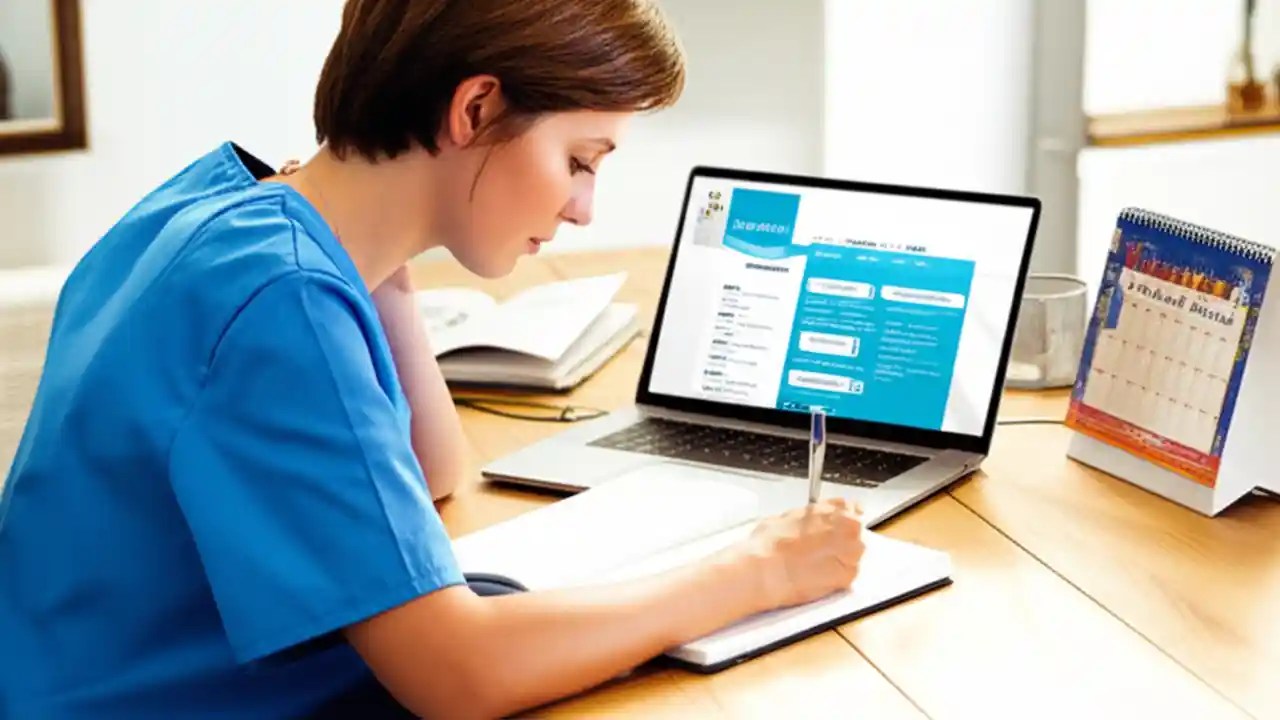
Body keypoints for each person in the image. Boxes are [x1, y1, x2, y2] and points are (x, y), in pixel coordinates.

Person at [0, 1, 866, 717]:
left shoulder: (222, 211)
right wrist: (759, 570)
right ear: (476, 109)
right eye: (579, 161)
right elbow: (457, 675)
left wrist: (384, 249)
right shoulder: (280, 302)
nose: (582, 209)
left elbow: (431, 469)